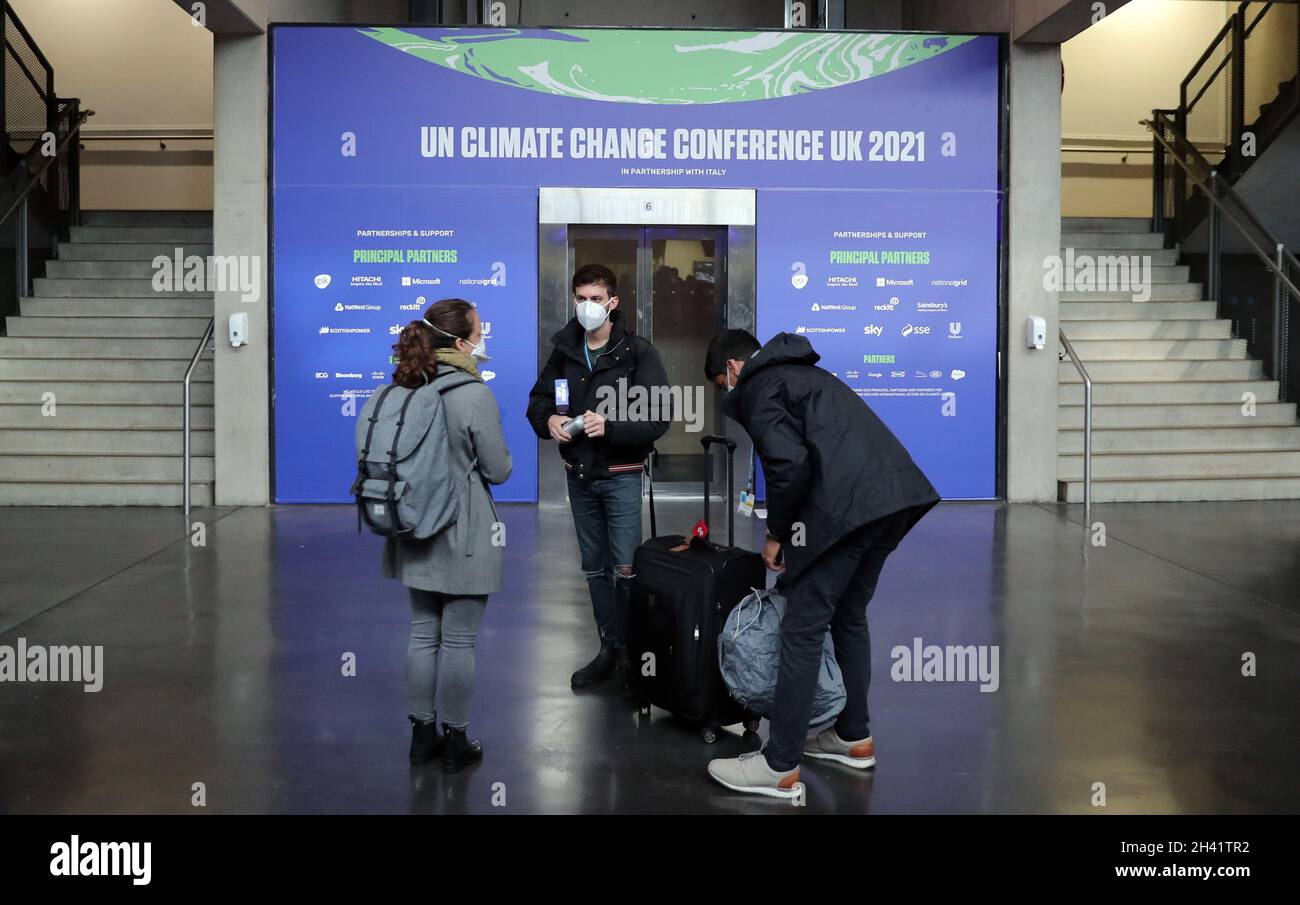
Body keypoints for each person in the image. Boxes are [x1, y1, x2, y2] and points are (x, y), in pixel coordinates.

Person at [701, 329, 940, 798]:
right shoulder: (805, 375)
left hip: (848, 511)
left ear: (732, 368)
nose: (727, 392)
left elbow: (789, 465)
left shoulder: (761, 387)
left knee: (802, 628)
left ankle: (779, 764)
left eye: (720, 382)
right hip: (892, 501)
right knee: (849, 615)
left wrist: (776, 536)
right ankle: (853, 736)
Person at [381, 298, 511, 773]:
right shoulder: (474, 394)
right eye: (480, 329)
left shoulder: (407, 385)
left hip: (415, 526)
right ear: (461, 341)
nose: (484, 336)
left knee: (422, 634)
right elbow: (498, 470)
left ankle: (421, 739)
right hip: (465, 529)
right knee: (458, 641)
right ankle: (456, 743)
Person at [526, 264, 670, 687]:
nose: (586, 307)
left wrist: (611, 426)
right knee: (594, 568)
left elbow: (659, 417)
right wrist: (548, 419)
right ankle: (608, 647)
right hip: (580, 476)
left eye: (594, 299)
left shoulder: (638, 353)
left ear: (612, 303)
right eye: (580, 298)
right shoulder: (565, 350)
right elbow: (537, 399)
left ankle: (632, 653)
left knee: (624, 568)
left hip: (621, 474)